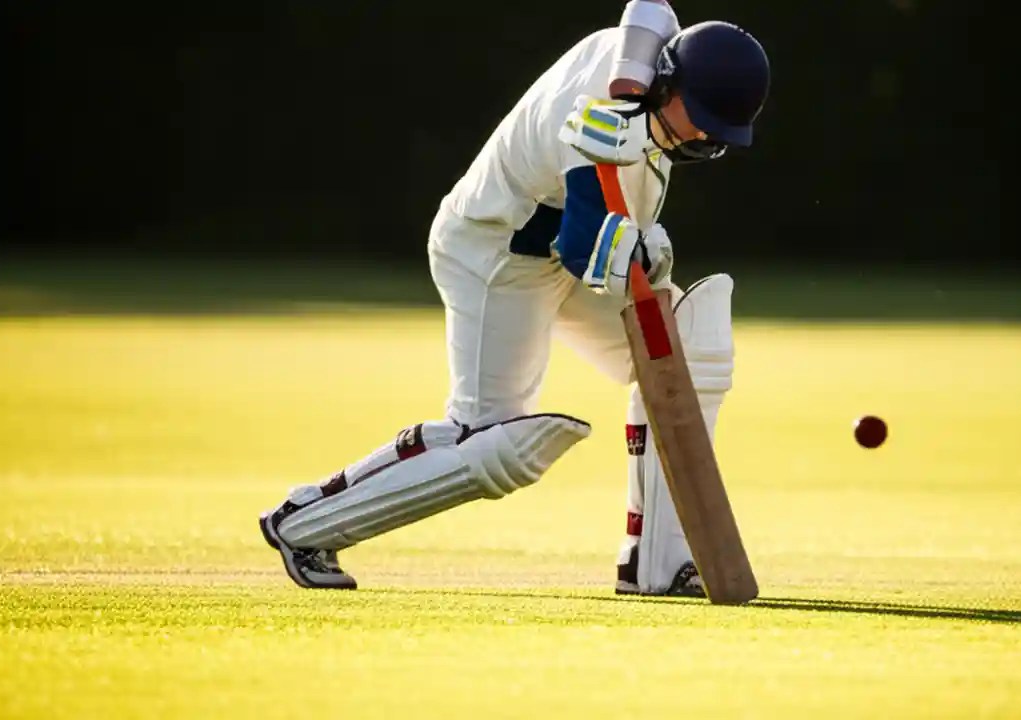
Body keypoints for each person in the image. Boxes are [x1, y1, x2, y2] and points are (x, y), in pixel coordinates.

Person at [258, 1, 771, 596]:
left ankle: (658, 560)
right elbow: (585, 248)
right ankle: (305, 522)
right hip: (496, 254)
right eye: (701, 116)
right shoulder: (598, 117)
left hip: (557, 251)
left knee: (686, 350)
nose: (705, 133)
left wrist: (643, 245)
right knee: (493, 445)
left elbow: (653, 6)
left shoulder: (650, 66)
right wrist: (640, 249)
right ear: (670, 82)